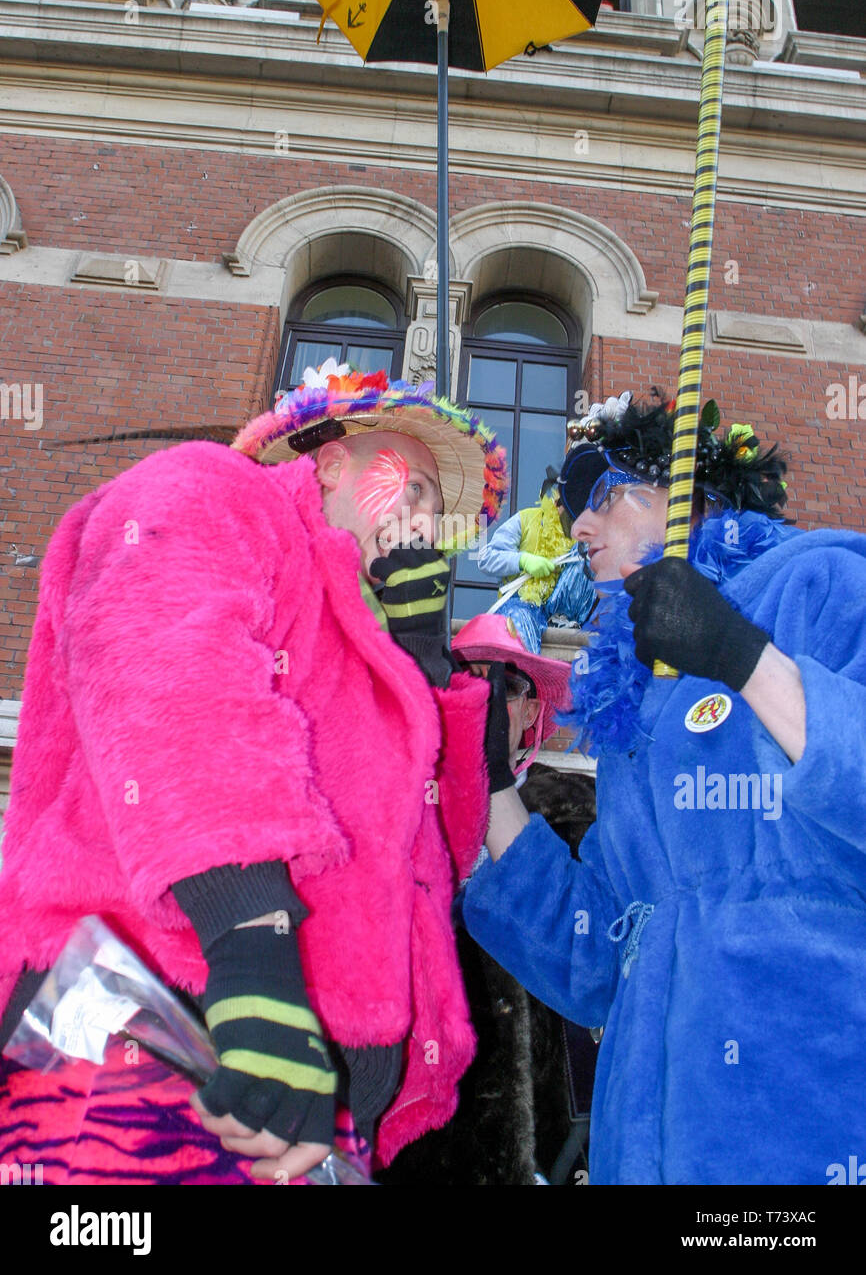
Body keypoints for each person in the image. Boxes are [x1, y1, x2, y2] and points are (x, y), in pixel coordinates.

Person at [0, 364, 509, 1185]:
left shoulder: (369, 649)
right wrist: (250, 947)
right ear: (331, 461)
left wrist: (423, 670)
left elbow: (430, 864)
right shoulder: (216, 488)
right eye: (407, 484)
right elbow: (168, 670)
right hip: (158, 1025)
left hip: (317, 1111)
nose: (422, 518)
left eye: (432, 507)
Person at [462, 389, 866, 1184]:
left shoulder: (815, 583)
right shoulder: (632, 695)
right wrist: (493, 784)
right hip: (643, 1147)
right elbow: (597, 962)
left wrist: (743, 656)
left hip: (807, 1119)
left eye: (603, 494)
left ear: (691, 491)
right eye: (571, 511)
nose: (579, 526)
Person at [380, 614, 600, 1185]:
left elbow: (594, 963)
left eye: (505, 686)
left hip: (546, 1135)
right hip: (422, 1139)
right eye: (466, 679)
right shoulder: (392, 813)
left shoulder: (584, 814)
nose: (482, 699)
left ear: (530, 713)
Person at [476, 470, 597, 653]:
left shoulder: (583, 532)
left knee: (590, 549)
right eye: (570, 506)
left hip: (562, 610)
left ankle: (563, 618)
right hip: (524, 603)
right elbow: (486, 558)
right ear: (557, 501)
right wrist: (523, 560)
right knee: (518, 618)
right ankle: (524, 669)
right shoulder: (526, 519)